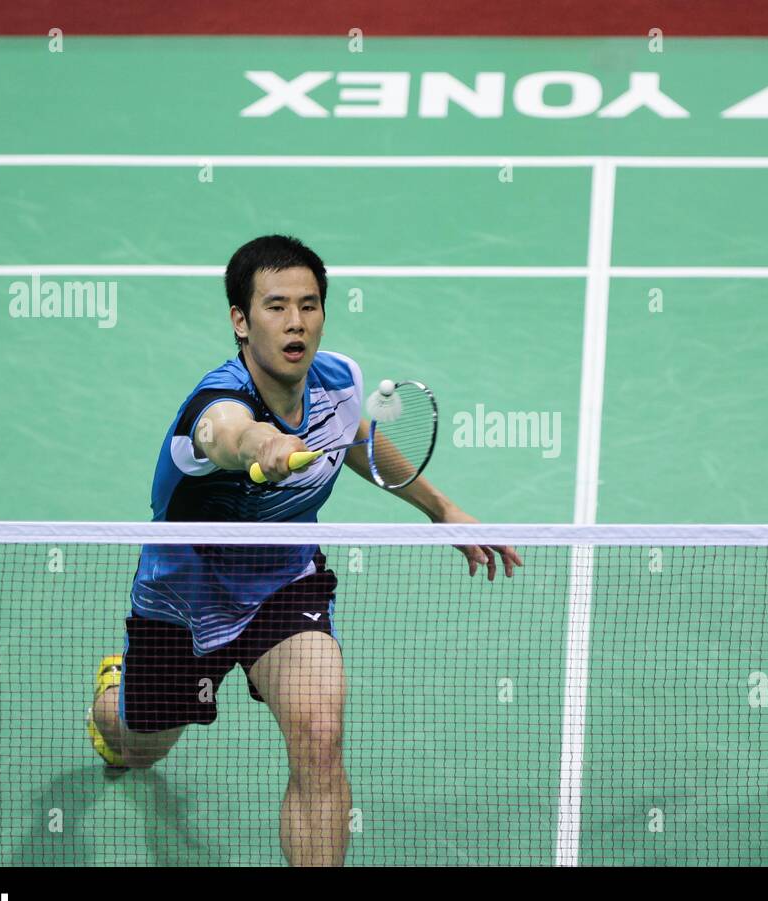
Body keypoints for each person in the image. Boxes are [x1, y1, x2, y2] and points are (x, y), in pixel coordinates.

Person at [85, 234, 523, 866]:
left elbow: (354, 440)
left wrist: (443, 510)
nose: (296, 322)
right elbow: (226, 436)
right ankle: (115, 698)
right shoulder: (210, 408)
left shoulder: (338, 380)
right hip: (184, 601)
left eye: (309, 304)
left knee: (319, 736)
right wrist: (262, 445)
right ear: (240, 320)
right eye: (275, 306)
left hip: (283, 586)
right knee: (139, 746)